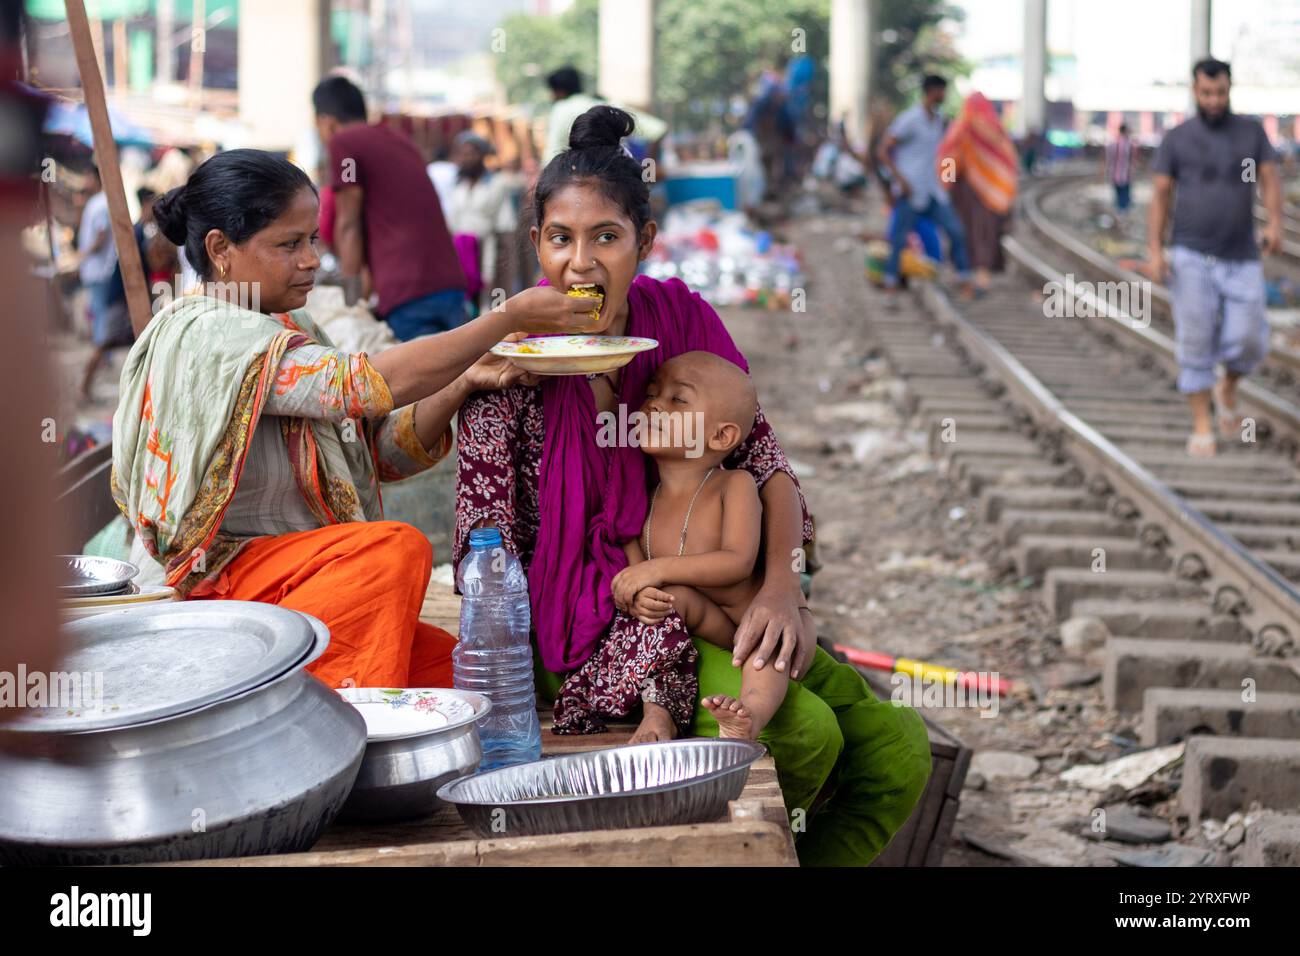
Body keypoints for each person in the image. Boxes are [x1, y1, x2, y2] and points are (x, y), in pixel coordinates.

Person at [454, 105, 932, 866]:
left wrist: (783, 586)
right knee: (804, 733)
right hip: (583, 625)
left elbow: (765, 461)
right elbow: (483, 555)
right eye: (560, 239)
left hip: (716, 601)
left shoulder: (679, 321)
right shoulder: (508, 366)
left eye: (605, 237)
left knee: (900, 747)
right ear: (535, 244)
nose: (580, 264)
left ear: (643, 243)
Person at [113, 149, 603, 690]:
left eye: (312, 240)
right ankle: (298, 718)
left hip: (297, 586)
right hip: (218, 594)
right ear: (220, 249)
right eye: (289, 244)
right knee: (395, 550)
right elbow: (360, 385)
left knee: (478, 682)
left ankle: (317, 695)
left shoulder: (286, 325)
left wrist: (464, 380)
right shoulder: (206, 333)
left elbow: (379, 455)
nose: (311, 261)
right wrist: (504, 319)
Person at [601, 351, 787, 742]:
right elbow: (635, 561)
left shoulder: (733, 485)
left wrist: (658, 569)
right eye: (652, 393)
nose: (653, 404)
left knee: (768, 651)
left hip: (747, 619)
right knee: (661, 612)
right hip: (700, 617)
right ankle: (657, 714)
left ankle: (748, 716)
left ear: (721, 436)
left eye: (677, 400)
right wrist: (638, 593)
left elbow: (737, 562)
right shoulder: (643, 495)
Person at [1146, 58, 1283, 458]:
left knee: (1247, 339)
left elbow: (1269, 179)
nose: (1213, 100)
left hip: (1241, 256)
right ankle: (1203, 424)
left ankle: (1229, 387)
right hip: (1190, 256)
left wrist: (1275, 223)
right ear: (1194, 91)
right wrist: (1155, 251)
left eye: (1220, 92)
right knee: (1197, 342)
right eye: (1206, 93)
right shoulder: (1177, 139)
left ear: (1229, 89)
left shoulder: (1250, 134)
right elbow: (1159, 196)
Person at [312, 75, 467, 339]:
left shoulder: (344, 143)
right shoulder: (398, 139)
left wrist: (351, 305)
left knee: (419, 378)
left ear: (325, 122)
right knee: (460, 376)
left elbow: (349, 225)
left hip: (409, 296)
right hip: (449, 285)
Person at [877, 74, 973, 304]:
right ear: (932, 91)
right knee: (898, 240)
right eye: (941, 91)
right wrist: (900, 181)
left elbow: (946, 154)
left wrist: (947, 180)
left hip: (932, 190)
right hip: (910, 191)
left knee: (956, 232)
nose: (944, 95)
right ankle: (890, 288)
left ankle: (964, 281)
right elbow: (883, 151)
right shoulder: (909, 120)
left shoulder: (940, 121)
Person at [939, 91, 1019, 296]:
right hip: (992, 193)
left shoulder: (962, 127)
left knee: (965, 233)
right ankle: (981, 277)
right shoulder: (996, 130)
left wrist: (947, 184)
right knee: (985, 235)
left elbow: (948, 156)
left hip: (965, 192)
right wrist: (1004, 190)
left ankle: (964, 273)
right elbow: (1009, 163)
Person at [444, 131, 518, 316]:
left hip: (488, 249)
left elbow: (505, 224)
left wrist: (504, 260)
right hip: (461, 252)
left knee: (493, 300)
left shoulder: (497, 184)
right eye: (463, 153)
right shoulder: (456, 186)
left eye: (472, 153)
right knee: (466, 300)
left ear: (482, 156)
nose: (467, 158)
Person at [77, 165, 130, 398]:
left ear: (96, 178)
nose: (85, 180)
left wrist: (82, 254)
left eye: (87, 175)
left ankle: (100, 359)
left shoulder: (99, 203)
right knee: (97, 314)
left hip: (99, 270)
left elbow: (100, 236)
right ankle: (101, 359)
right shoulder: (96, 202)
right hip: (95, 270)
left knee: (100, 318)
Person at [542, 65, 666, 164]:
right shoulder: (605, 106)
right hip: (615, 183)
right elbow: (658, 129)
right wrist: (649, 172)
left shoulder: (561, 109)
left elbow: (552, 155)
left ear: (559, 91)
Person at [1105, 123, 1136, 213]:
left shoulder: (1112, 144)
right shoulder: (1129, 145)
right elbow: (1132, 160)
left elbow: (1108, 160)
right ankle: (1123, 212)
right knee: (1124, 195)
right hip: (1125, 175)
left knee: (1118, 195)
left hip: (1114, 174)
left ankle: (1119, 211)